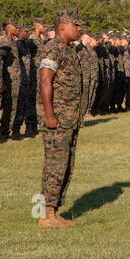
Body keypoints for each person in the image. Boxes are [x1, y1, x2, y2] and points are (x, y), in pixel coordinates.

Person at [37, 14, 87, 228]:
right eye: (76, 25)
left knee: (66, 165)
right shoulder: (53, 47)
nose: (79, 29)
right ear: (63, 26)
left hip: (69, 118)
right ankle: (45, 214)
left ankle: (54, 212)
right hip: (57, 118)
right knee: (54, 165)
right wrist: (49, 115)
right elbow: (45, 81)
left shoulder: (68, 49)